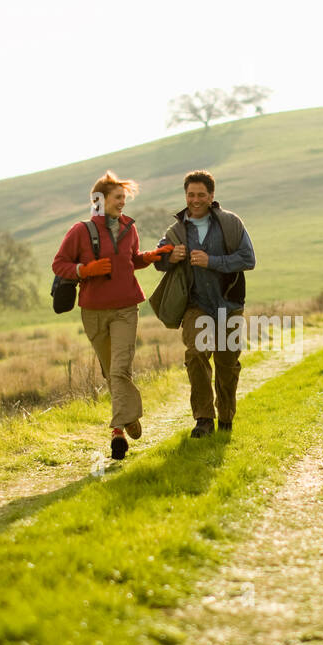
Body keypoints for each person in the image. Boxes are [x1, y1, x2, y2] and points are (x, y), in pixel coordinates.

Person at [52, 171, 172, 460]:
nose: (123, 203)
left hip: (126, 308)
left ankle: (117, 432)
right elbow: (59, 264)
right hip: (93, 312)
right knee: (110, 372)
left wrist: (150, 257)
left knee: (120, 370)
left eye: (124, 198)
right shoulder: (80, 231)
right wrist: (84, 271)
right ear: (99, 199)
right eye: (118, 198)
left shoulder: (130, 228)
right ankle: (129, 415)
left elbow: (130, 261)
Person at [153, 170, 256, 438]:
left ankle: (226, 417)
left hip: (230, 303)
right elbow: (158, 260)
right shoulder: (175, 231)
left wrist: (212, 261)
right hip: (195, 306)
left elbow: (248, 258)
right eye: (190, 194)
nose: (195, 200)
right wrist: (169, 258)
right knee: (196, 355)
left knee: (227, 364)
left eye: (201, 194)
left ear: (211, 196)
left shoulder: (231, 223)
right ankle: (203, 419)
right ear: (185, 196)